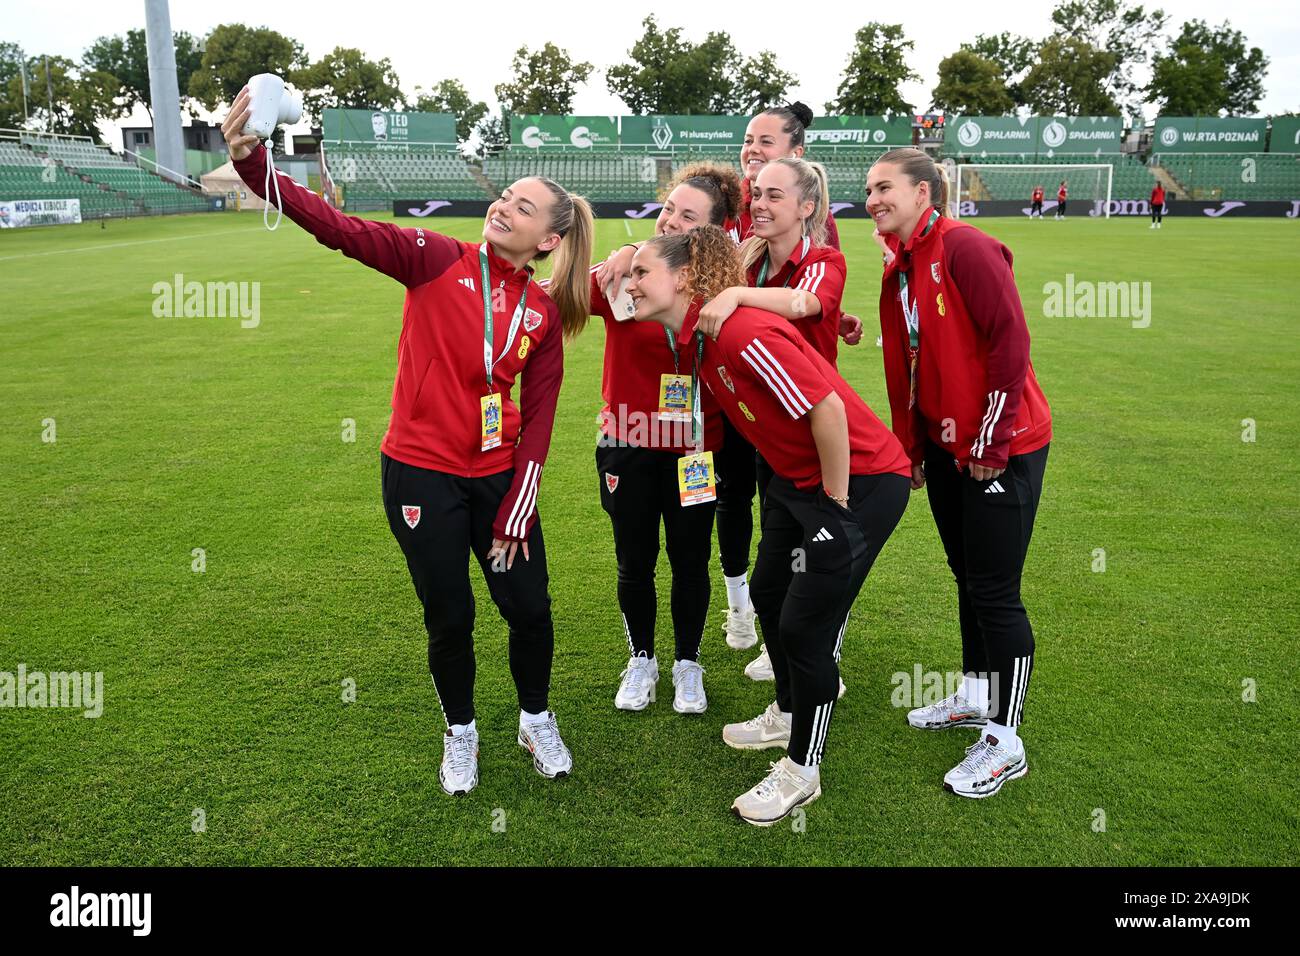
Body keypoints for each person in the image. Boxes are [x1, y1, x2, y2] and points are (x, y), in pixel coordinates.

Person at [221, 85, 594, 797]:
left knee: (530, 608)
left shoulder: (544, 313)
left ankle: (534, 719)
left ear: (548, 239)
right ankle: (462, 733)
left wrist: (519, 503)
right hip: (419, 474)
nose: (502, 207)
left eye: (521, 205)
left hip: (497, 482)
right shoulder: (432, 256)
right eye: (504, 195)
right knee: (449, 613)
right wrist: (252, 164)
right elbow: (338, 227)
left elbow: (540, 420)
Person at [628, 226, 911, 826]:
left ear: (681, 278)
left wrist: (835, 506)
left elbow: (828, 411)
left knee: (805, 628)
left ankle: (802, 771)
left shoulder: (740, 331)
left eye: (641, 271)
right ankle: (786, 708)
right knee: (768, 594)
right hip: (797, 484)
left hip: (857, 483)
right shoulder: (701, 338)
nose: (631, 282)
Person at [866, 147, 1051, 799]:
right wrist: (913, 444)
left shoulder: (966, 247)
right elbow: (912, 360)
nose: (873, 199)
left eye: (885, 187)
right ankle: (976, 693)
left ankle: (1006, 740)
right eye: (868, 190)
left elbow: (1010, 343)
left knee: (996, 591)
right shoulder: (901, 265)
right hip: (946, 449)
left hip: (1002, 445)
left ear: (924, 192)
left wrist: (993, 441)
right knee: (966, 576)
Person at [585, 162, 741, 714]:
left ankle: (688, 664)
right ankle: (642, 659)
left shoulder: (723, 292)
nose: (669, 219)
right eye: (668, 207)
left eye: (687, 215)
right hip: (627, 442)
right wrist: (622, 254)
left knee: (691, 560)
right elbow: (569, 297)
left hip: (695, 449)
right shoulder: (628, 273)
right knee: (634, 560)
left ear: (711, 232)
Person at [699, 157, 849, 684]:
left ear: (807, 208)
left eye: (774, 196)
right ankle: (790, 647)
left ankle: (815, 658)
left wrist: (737, 293)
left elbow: (804, 302)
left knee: (820, 545)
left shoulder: (824, 258)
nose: (758, 204)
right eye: (755, 194)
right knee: (780, 543)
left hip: (815, 429)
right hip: (767, 429)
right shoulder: (749, 258)